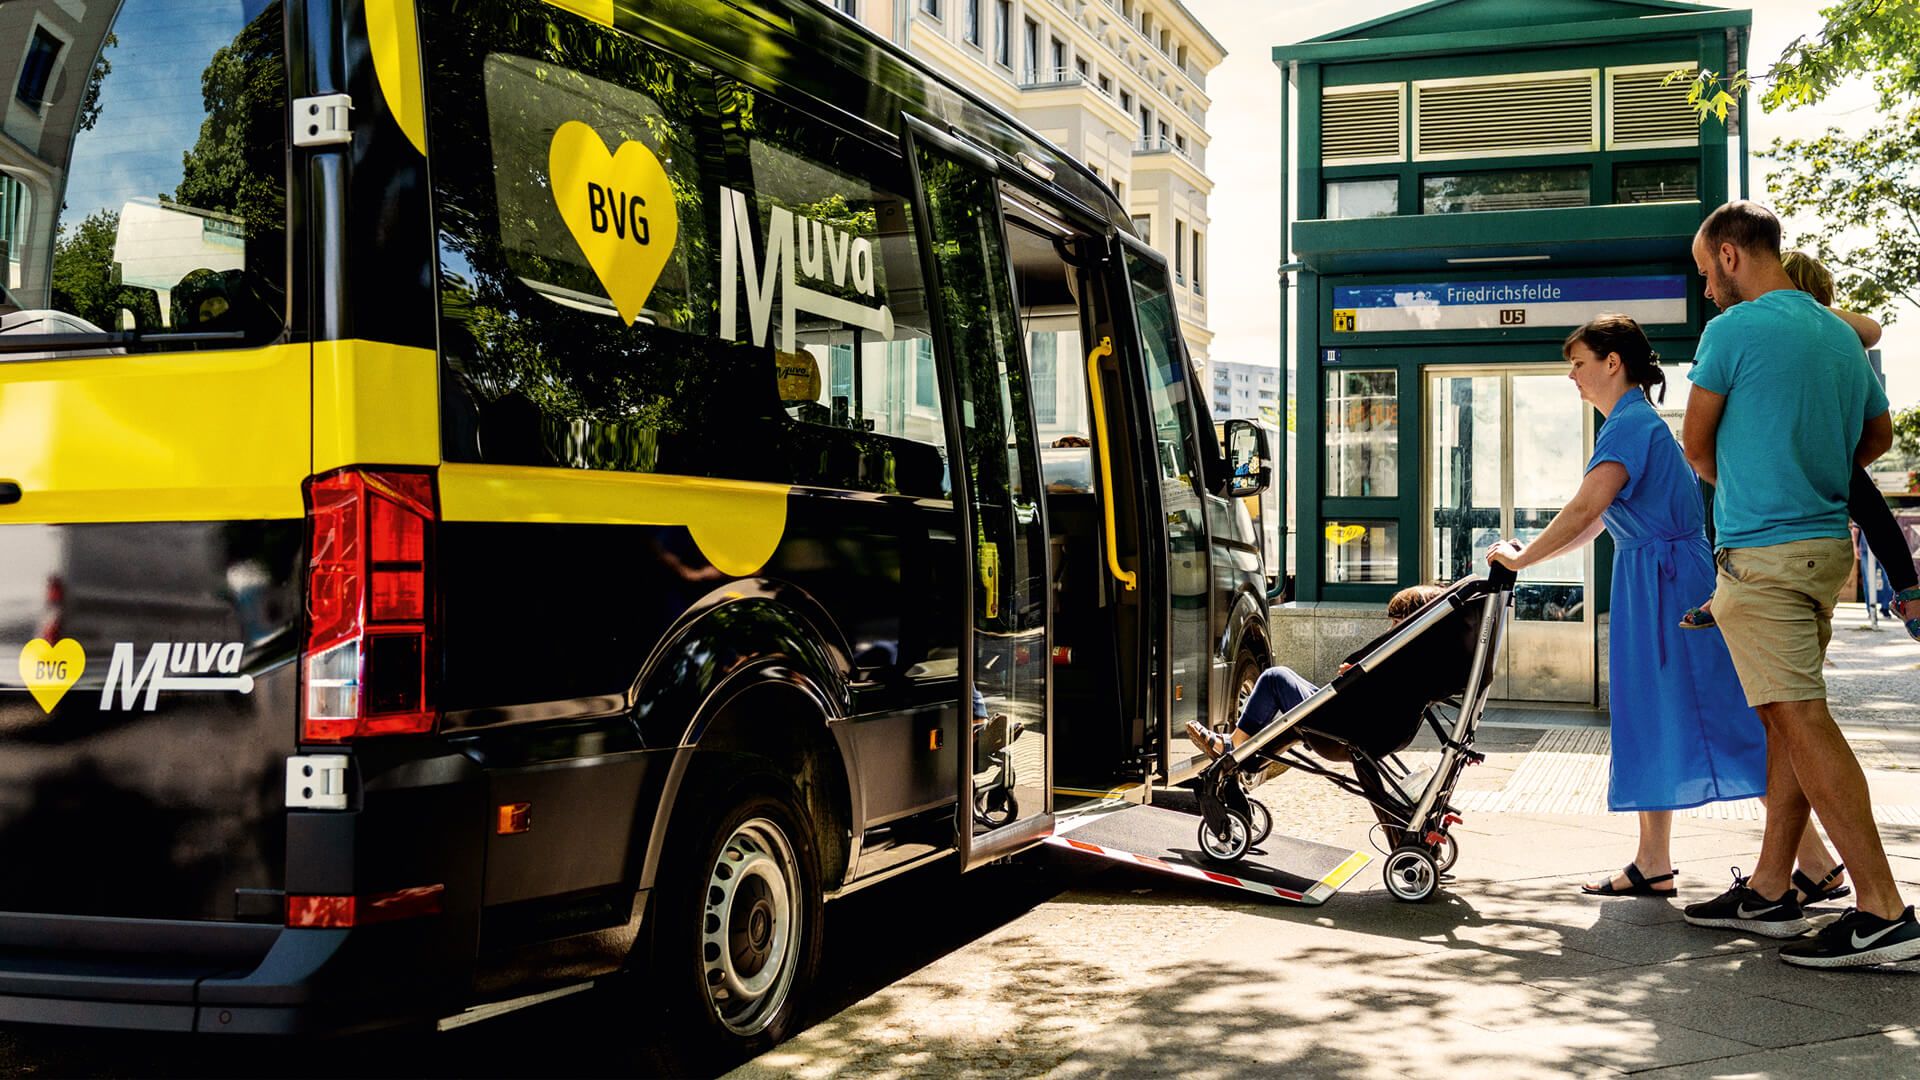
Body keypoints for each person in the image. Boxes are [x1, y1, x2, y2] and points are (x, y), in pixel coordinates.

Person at [1484, 314, 1808, 900]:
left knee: (1721, 713)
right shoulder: (1631, 423)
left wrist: (1521, 559)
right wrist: (1528, 556)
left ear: (1613, 362)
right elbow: (1601, 517)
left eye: (1578, 364)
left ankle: (1816, 861)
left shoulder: (1629, 424)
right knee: (1656, 714)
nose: (1572, 377)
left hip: (1669, 585)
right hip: (1658, 579)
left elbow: (1586, 509)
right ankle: (1653, 861)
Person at [1677, 200, 1918, 967]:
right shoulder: (1837, 333)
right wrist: (1811, 459)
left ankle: (1883, 910)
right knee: (1787, 720)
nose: (1707, 291)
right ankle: (1773, 889)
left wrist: (1744, 475)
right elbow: (1875, 439)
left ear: (1729, 255)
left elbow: (1696, 443)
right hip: (1823, 551)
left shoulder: (1732, 331)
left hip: (1762, 554)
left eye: (1706, 271)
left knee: (1801, 719)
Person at [1678, 250, 1920, 642]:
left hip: (1807, 474)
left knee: (1721, 499)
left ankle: (1909, 588)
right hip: (1821, 479)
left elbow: (1872, 329)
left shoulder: (1812, 324)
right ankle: (1909, 589)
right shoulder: (1810, 334)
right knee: (1871, 508)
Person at [1185, 583, 1445, 759]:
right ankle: (1243, 752)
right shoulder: (1418, 660)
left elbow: (1375, 695)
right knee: (1287, 698)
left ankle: (1234, 744)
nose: (1390, 630)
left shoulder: (1400, 657)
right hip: (1357, 720)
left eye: (1397, 623)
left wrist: (1357, 676)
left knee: (1275, 678)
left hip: (1345, 726)